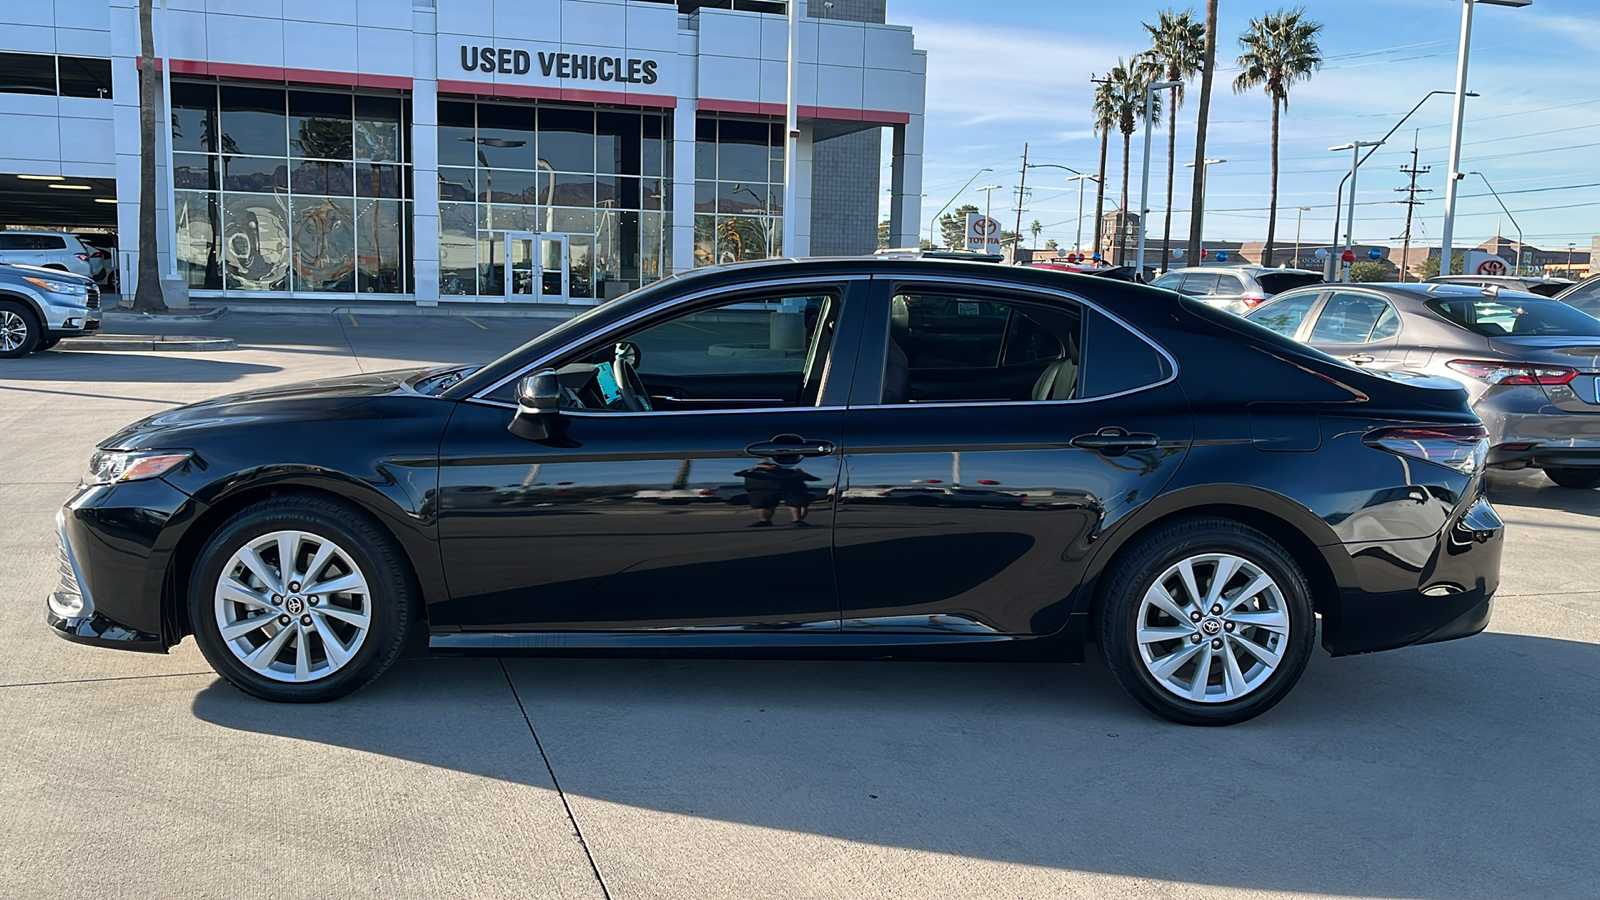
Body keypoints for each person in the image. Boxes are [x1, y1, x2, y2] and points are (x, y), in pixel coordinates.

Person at [734, 460, 819, 526]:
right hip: (763, 490)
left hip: (789, 489)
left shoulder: (789, 472)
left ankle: (797, 520)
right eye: (766, 463)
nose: (771, 466)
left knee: (795, 504)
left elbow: (809, 477)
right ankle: (764, 521)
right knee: (764, 505)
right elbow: (739, 474)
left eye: (774, 464)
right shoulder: (754, 472)